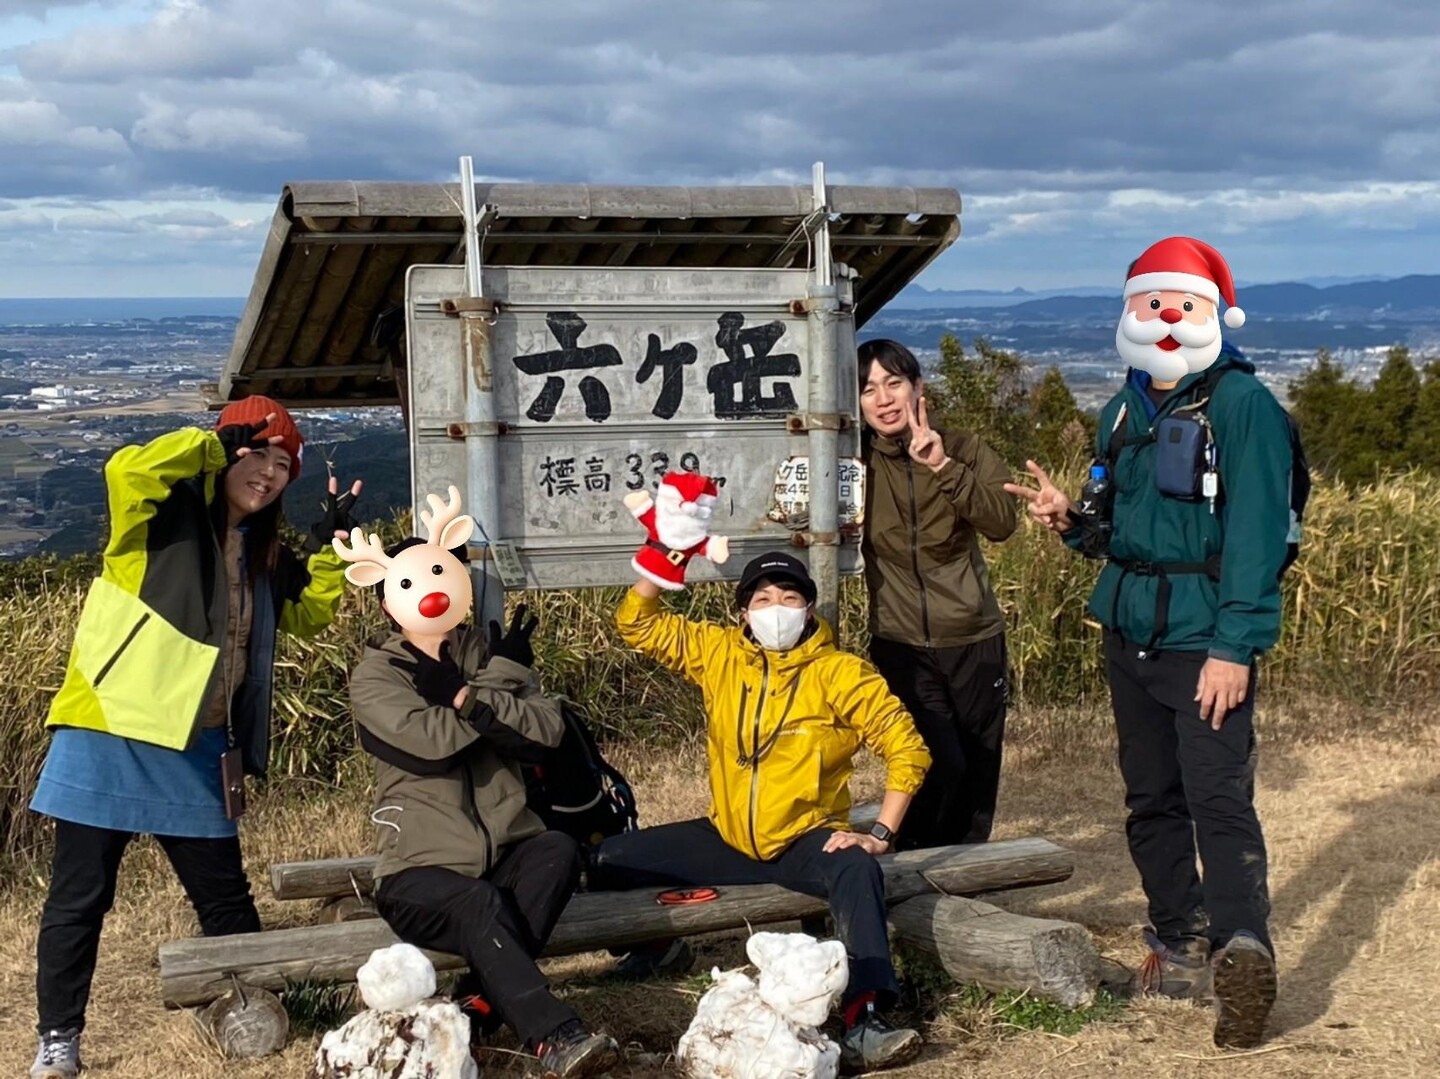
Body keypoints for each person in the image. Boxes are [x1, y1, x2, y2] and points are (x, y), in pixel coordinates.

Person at [1005, 237, 1289, 1049]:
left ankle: (1243, 950)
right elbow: (1117, 531)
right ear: (1130, 311)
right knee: (1150, 798)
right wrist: (1070, 520)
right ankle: (1178, 935)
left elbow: (1258, 536)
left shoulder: (1242, 407)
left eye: (1183, 305)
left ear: (1212, 315)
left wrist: (1236, 646)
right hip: (1129, 631)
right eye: (1151, 303)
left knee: (1218, 798)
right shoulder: (1126, 408)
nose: (1166, 318)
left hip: (1206, 639)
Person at [28, 396, 361, 1079]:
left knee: (224, 896)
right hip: (111, 730)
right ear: (228, 449)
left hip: (200, 742)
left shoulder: (261, 554)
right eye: (257, 453)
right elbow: (126, 471)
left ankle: (261, 1009)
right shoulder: (159, 521)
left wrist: (329, 551)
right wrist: (208, 445)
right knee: (81, 895)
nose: (267, 474)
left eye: (281, 464)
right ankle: (58, 1039)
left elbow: (304, 616)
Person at [592, 549, 932, 1075]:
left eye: (791, 598)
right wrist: (666, 550)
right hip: (728, 836)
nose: (778, 608)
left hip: (803, 839)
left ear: (810, 610)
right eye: (763, 599)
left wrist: (880, 832)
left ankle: (866, 1017)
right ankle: (659, 948)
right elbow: (636, 622)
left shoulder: (840, 673)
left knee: (856, 867)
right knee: (610, 858)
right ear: (742, 613)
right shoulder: (719, 653)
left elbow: (908, 748)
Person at [348, 537, 618, 1079]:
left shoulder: (492, 653)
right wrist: (492, 689)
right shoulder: (377, 677)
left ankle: (479, 1003)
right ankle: (554, 1035)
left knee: (556, 850)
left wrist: (469, 695)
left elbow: (545, 731)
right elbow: (434, 743)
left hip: (506, 856)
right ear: (387, 602)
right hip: (416, 874)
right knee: (479, 903)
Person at [856, 339, 1019, 849]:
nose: (882, 399)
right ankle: (912, 868)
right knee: (932, 758)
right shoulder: (853, 464)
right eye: (867, 389)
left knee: (975, 765)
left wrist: (943, 467)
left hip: (973, 636)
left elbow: (1002, 522)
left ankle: (964, 879)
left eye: (893, 383)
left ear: (917, 388)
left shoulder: (964, 448)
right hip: (900, 641)